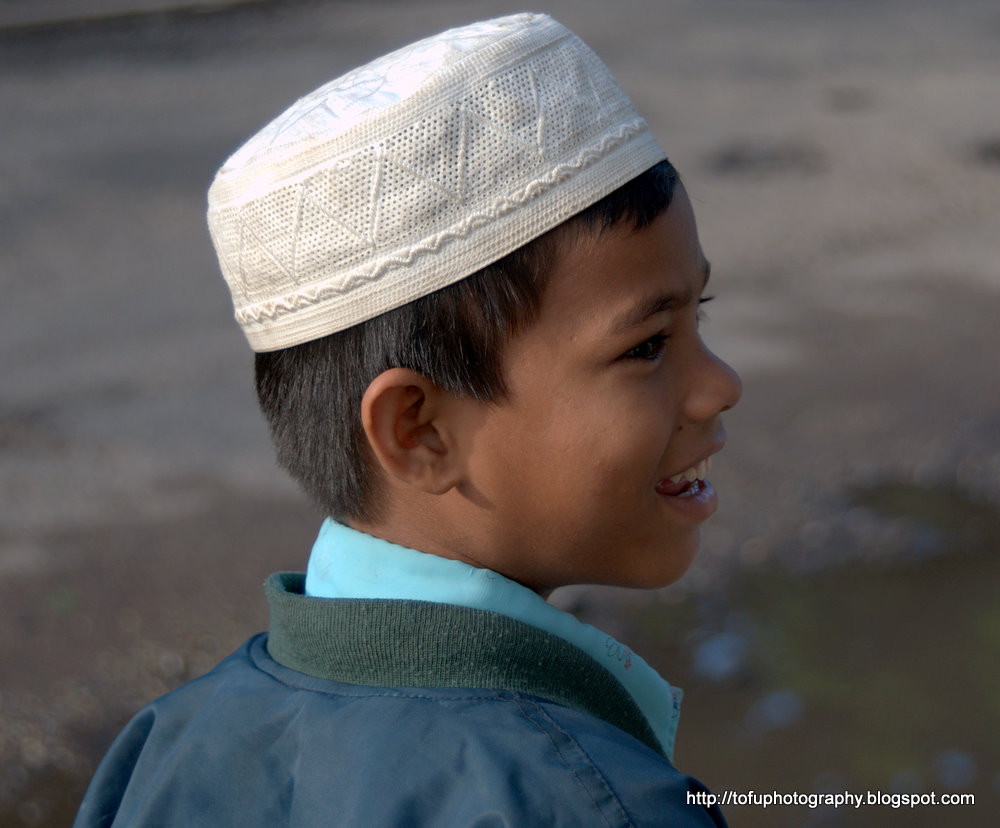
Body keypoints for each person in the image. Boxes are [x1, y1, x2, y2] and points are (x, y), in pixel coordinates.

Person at [74, 13, 739, 827]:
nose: (719, 386)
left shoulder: (167, 747)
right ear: (418, 431)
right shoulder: (596, 805)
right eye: (646, 346)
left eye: (697, 315)